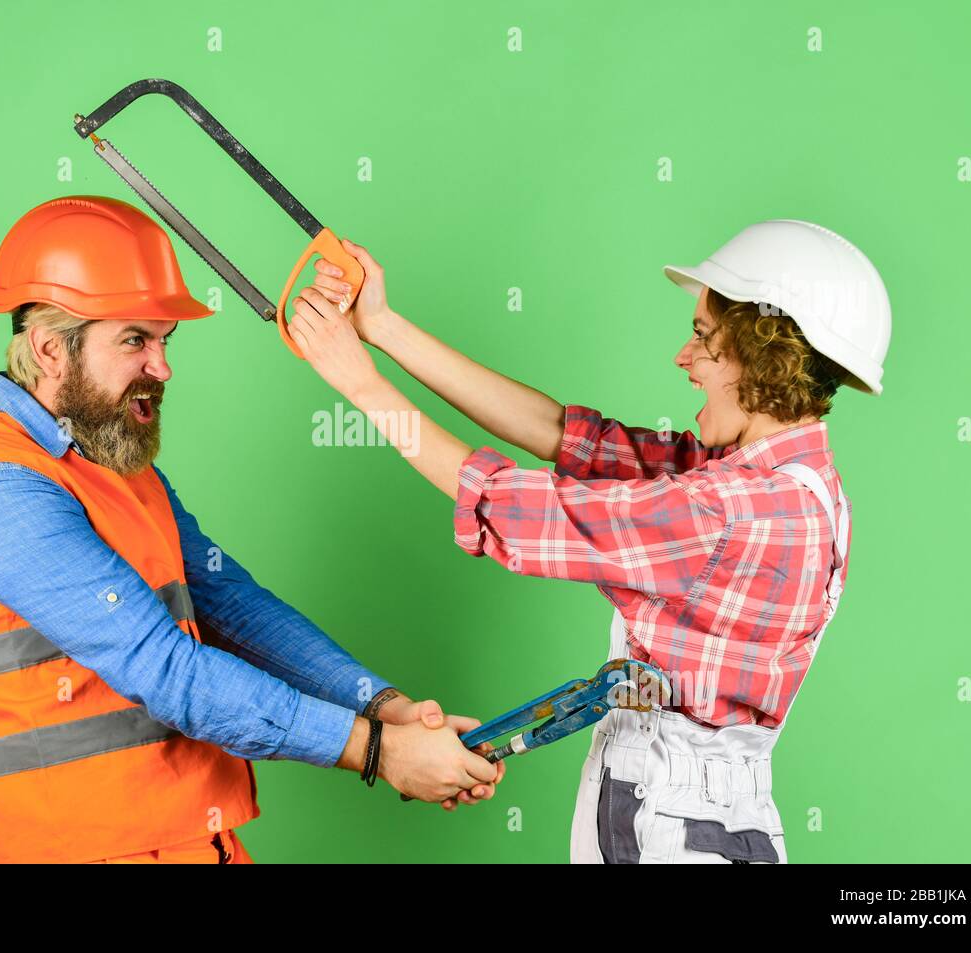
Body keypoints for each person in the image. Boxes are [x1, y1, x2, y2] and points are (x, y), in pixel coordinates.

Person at [0, 195, 501, 865]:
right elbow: (168, 672)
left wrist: (383, 707)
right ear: (49, 348)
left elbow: (231, 605)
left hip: (193, 841)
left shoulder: (111, 460)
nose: (162, 367)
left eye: (165, 340)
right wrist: (377, 751)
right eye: (135, 339)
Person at [289, 219, 891, 863]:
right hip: (717, 818)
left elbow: (516, 513)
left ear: (763, 351)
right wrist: (382, 328)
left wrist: (361, 386)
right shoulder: (788, 484)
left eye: (702, 337)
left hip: (670, 823)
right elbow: (567, 437)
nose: (682, 359)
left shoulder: (739, 510)